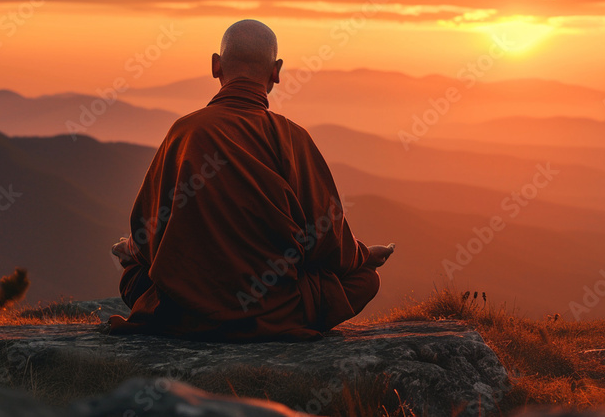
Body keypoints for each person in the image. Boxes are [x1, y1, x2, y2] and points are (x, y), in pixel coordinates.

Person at [106, 19, 394, 341]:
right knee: (366, 280)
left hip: (183, 313)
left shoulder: (184, 132)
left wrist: (132, 249)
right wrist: (365, 256)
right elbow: (327, 238)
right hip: (273, 312)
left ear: (216, 66)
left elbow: (148, 230)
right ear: (276, 71)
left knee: (134, 276)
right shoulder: (292, 139)